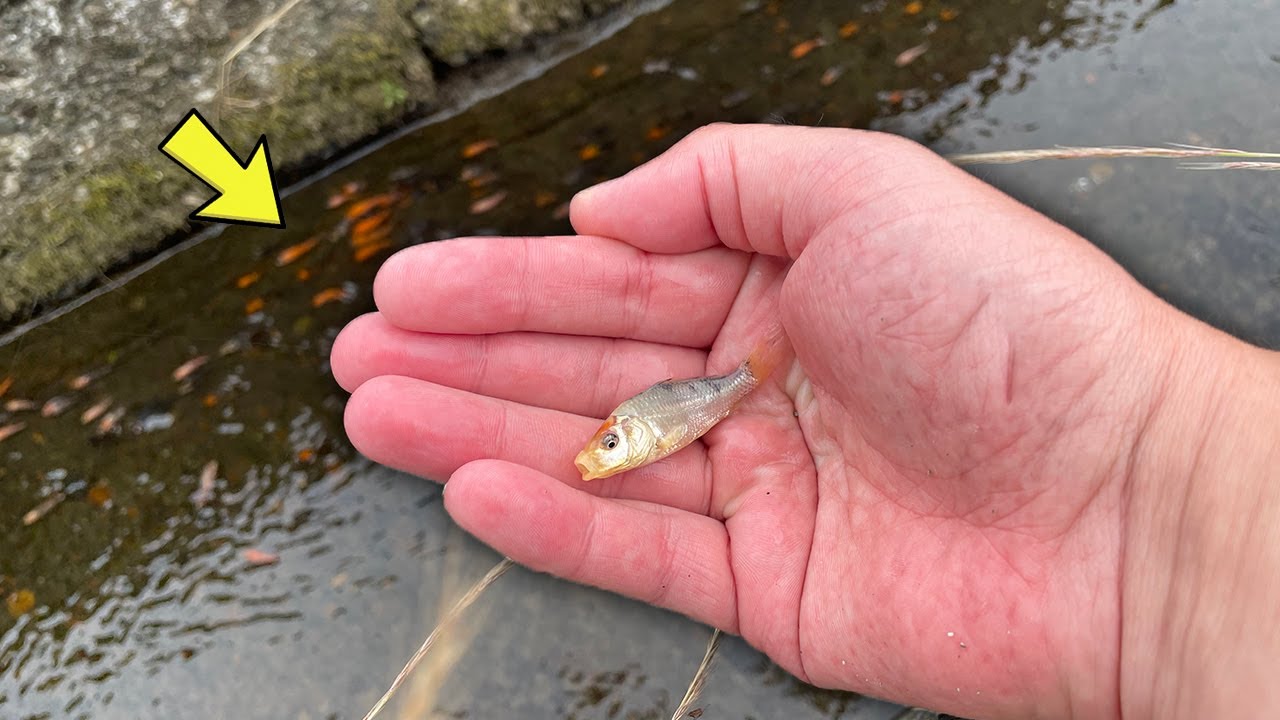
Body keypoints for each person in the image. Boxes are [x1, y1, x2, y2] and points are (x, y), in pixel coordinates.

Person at [330, 124, 1278, 720]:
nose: (607, 451)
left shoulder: (683, 411)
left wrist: (1149, 437)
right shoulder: (655, 426)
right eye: (614, 445)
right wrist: (1161, 447)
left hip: (717, 391)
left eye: (612, 444)